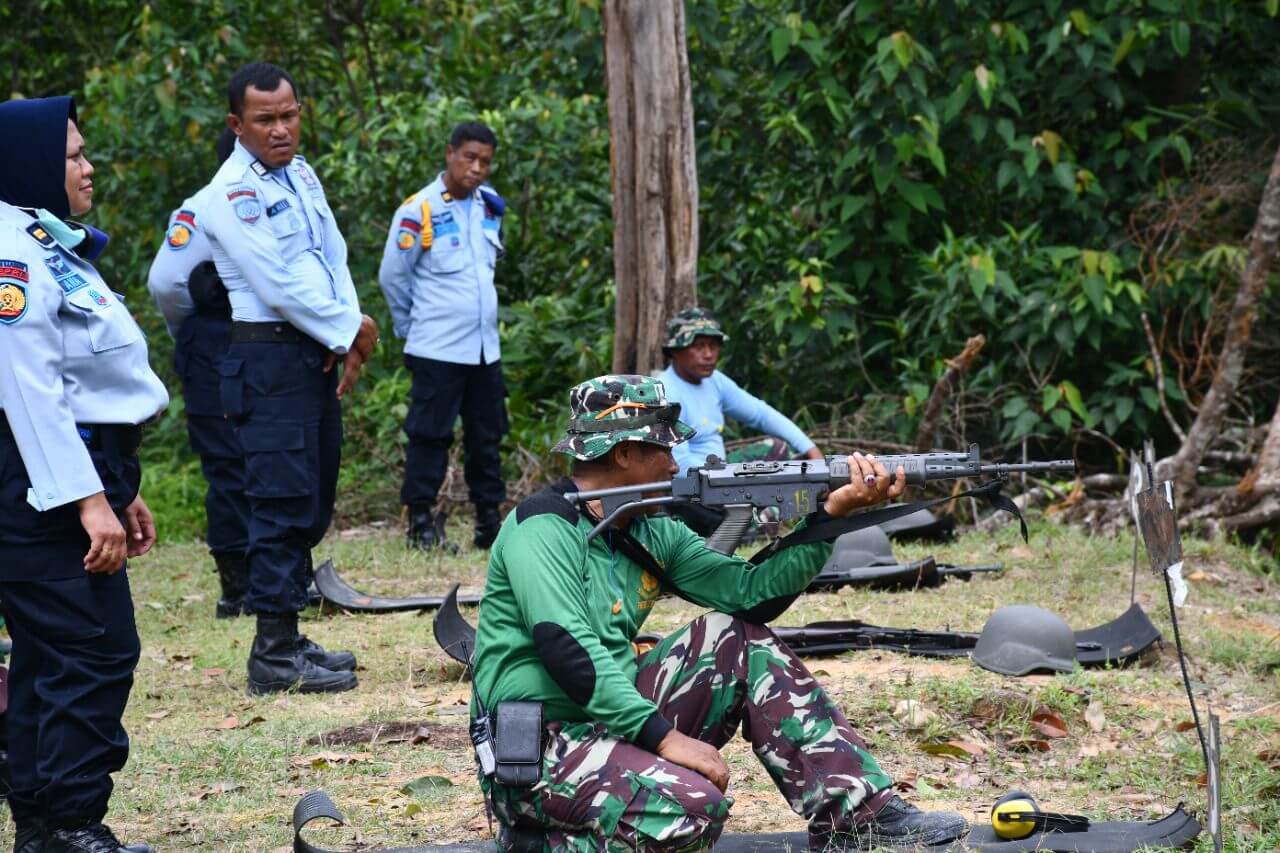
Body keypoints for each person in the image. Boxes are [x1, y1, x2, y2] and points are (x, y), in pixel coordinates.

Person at [469, 375, 969, 851]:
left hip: (609, 720)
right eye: (663, 449)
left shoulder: (649, 529)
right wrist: (665, 740)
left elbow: (750, 595)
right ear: (624, 454)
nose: (673, 465)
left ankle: (858, 818)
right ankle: (536, 840)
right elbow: (568, 649)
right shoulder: (542, 528)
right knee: (694, 811)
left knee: (735, 637)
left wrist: (827, 518)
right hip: (540, 747)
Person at [0, 95, 162, 853]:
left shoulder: (47, 243)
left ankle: (42, 823)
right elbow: (28, 390)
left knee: (49, 650)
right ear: (31, 161)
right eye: (72, 155)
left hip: (76, 471)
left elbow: (86, 381)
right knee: (92, 647)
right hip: (40, 484)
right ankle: (68, 822)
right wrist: (87, 499)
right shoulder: (10, 254)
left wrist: (118, 487)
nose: (87, 167)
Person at [202, 63, 378, 695]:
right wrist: (346, 330)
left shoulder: (300, 173)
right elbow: (276, 285)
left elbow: (333, 256)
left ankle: (291, 634)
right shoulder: (228, 194)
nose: (281, 129)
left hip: (311, 352)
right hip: (267, 358)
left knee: (309, 498)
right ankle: (272, 653)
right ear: (236, 124)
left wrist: (351, 326)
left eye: (289, 115)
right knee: (277, 502)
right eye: (264, 120)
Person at [378, 121, 507, 553]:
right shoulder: (419, 209)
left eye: (485, 161)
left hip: (484, 348)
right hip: (437, 347)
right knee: (430, 436)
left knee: (486, 436)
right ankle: (421, 522)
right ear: (449, 153)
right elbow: (394, 276)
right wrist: (410, 328)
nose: (476, 168)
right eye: (468, 157)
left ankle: (489, 521)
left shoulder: (490, 206)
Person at [146, 128, 251, 619]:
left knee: (276, 461)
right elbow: (167, 283)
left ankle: (278, 572)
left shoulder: (285, 199)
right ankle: (237, 585)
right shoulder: (202, 207)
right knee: (229, 464)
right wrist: (198, 328)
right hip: (216, 341)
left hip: (268, 342)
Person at [658, 306, 823, 537]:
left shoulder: (715, 381)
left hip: (723, 476)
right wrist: (731, 484)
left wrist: (811, 449)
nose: (708, 354)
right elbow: (680, 465)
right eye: (698, 346)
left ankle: (774, 518)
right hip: (692, 490)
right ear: (674, 351)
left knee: (781, 452)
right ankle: (754, 524)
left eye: (713, 346)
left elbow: (761, 414)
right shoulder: (665, 391)